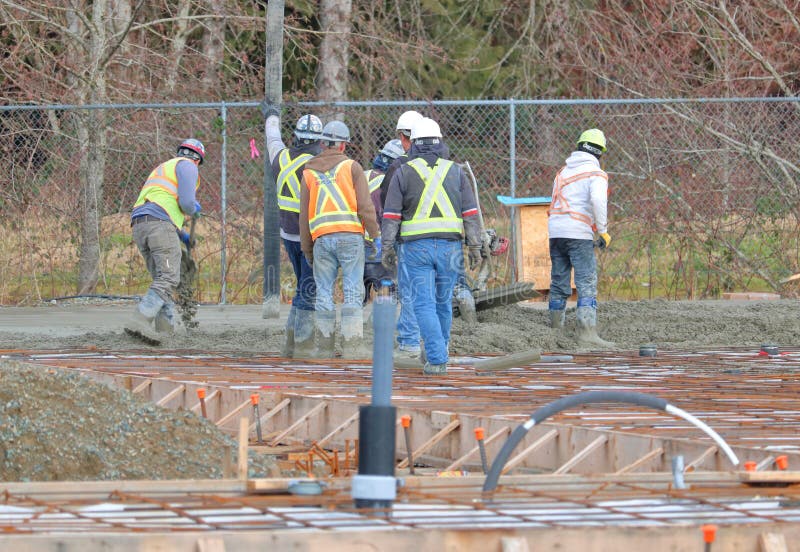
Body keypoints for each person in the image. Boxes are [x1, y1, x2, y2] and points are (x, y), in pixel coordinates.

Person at [381, 117, 482, 375]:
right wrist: (474, 247)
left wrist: (387, 249)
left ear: (413, 142)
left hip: (417, 250)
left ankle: (437, 360)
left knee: (423, 304)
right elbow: (471, 213)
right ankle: (440, 351)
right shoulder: (456, 171)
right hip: (450, 249)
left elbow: (391, 216)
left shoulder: (403, 171)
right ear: (440, 142)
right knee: (443, 303)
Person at [299, 120, 380, 359]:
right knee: (353, 290)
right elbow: (365, 206)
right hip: (350, 238)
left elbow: (304, 216)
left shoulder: (308, 172)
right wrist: (375, 235)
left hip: (322, 240)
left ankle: (323, 347)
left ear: (323, 143)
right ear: (343, 145)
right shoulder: (352, 167)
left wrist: (307, 249)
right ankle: (352, 346)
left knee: (323, 291)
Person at [124, 138, 204, 345]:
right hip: (159, 224)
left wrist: (182, 236)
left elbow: (159, 206)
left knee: (161, 280)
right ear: (197, 159)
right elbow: (186, 203)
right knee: (168, 278)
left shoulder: (164, 168)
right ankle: (139, 320)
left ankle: (164, 331)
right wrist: (193, 209)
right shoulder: (187, 166)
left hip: (141, 224)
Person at [264, 107, 324, 358]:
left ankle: (290, 340)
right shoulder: (320, 165)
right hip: (310, 236)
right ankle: (302, 342)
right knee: (309, 288)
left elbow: (272, 138)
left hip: (287, 234)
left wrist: (272, 117)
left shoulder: (280, 158)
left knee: (304, 285)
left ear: (296, 136)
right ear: (320, 140)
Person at [547, 128, 614, 348]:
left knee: (559, 281)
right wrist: (602, 230)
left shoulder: (563, 172)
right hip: (577, 233)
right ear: (600, 152)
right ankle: (586, 333)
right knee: (586, 281)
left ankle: (555, 330)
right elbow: (597, 201)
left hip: (556, 231)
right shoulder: (596, 174)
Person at [379, 110, 425, 360]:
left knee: (409, 291)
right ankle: (428, 342)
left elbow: (388, 206)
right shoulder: (443, 166)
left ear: (404, 137)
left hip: (408, 238)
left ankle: (408, 342)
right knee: (428, 292)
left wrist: (387, 243)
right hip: (440, 239)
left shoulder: (399, 166)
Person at [363, 139, 404, 303]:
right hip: (378, 249)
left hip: (355, 246)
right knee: (388, 293)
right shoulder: (393, 183)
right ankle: (381, 325)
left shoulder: (363, 174)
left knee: (357, 297)